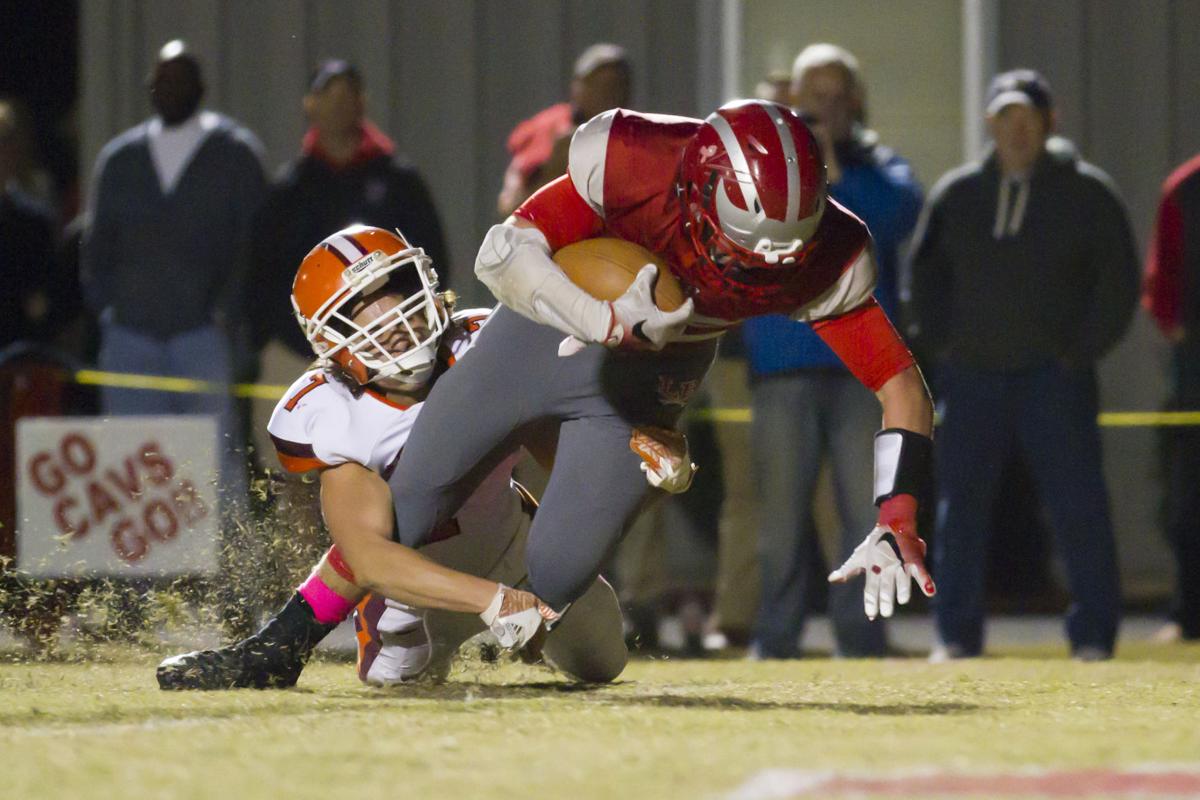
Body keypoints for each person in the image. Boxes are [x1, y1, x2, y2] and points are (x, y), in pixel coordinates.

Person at [383, 99, 937, 632]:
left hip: (651, 374)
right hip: (547, 332)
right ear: (699, 189)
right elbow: (502, 253)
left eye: (783, 256)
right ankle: (326, 611)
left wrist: (898, 516)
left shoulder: (830, 256)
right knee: (408, 503)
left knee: (559, 571)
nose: (758, 273)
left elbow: (901, 386)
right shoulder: (635, 163)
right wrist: (597, 318)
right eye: (741, 247)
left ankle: (502, 578)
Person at [157, 225, 689, 689]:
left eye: (396, 289)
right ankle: (303, 640)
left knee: (603, 662)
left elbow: (571, 471)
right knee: (400, 687)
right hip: (412, 601)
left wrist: (640, 467)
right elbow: (366, 556)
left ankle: (528, 638)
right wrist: (491, 601)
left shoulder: (485, 347)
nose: (390, 314)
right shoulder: (331, 410)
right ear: (328, 339)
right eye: (359, 307)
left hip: (517, 551)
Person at [907, 70, 1139, 661]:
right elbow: (923, 277)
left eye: (1029, 117)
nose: (1017, 129)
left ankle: (1094, 635)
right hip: (975, 378)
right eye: (1006, 116)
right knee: (960, 511)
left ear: (1049, 123)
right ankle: (954, 634)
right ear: (990, 123)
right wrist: (943, 347)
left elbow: (1118, 282)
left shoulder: (1087, 194)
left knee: (1079, 506)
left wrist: (1077, 351)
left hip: (1053, 379)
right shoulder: (959, 195)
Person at [741, 44, 923, 659]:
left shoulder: (878, 167)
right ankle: (775, 637)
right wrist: (806, 164)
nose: (825, 106)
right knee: (781, 522)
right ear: (793, 99)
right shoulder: (770, 166)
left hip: (861, 373)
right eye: (812, 95)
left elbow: (895, 218)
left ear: (856, 103)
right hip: (783, 365)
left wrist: (835, 170)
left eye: (837, 95)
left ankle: (861, 635)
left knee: (866, 511)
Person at [80, 40, 266, 504]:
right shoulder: (121, 158)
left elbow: (254, 243)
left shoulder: (234, 153)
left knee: (217, 459)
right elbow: (96, 242)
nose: (168, 88)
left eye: (179, 78)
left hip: (202, 336)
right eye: (161, 78)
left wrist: (226, 312)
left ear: (200, 87)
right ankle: (140, 576)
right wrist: (108, 307)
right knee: (131, 461)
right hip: (130, 337)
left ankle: (229, 574)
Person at [251, 60, 448, 365]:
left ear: (361, 103)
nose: (337, 106)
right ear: (310, 105)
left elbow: (429, 255)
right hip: (297, 353)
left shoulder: (398, 179)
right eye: (329, 97)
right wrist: (284, 335)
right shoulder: (289, 188)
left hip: (392, 346)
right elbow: (260, 270)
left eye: (346, 97)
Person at [1143, 154, 1200, 643]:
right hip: (1197, 366)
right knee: (1189, 496)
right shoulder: (1185, 187)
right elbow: (1162, 284)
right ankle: (1190, 613)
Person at [496, 43, 631, 218]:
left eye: (617, 85)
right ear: (576, 88)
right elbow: (509, 206)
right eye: (597, 84)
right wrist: (555, 169)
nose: (608, 94)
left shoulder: (635, 138)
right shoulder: (549, 129)